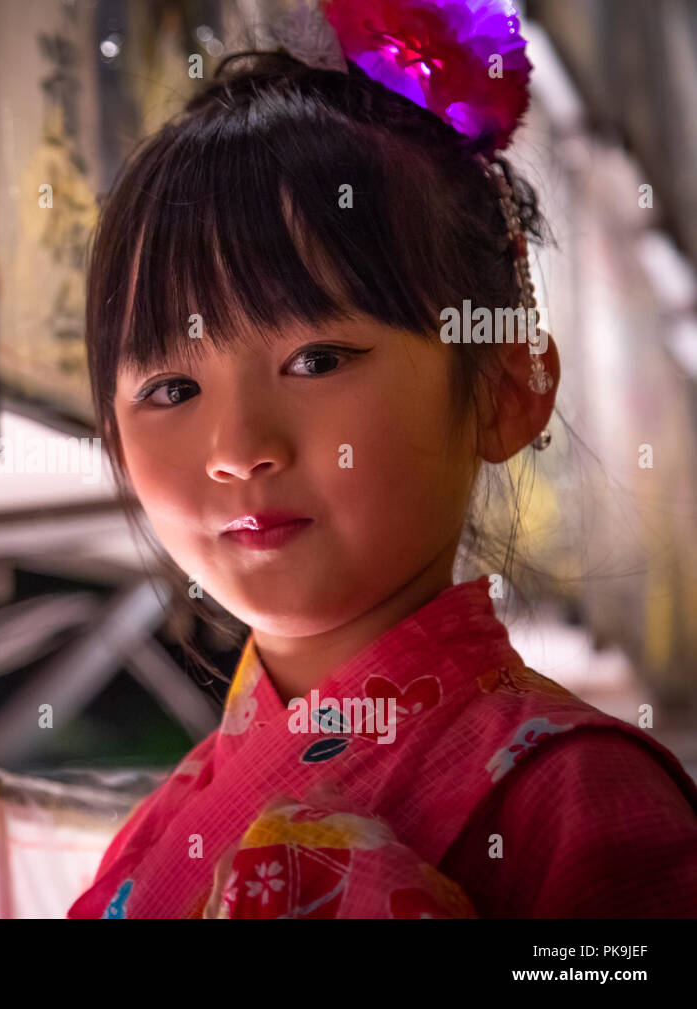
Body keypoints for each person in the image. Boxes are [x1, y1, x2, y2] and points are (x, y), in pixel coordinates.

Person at [67, 0, 697, 918]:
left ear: (507, 387)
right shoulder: (152, 834)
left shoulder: (585, 796)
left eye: (317, 360)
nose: (240, 452)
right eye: (170, 389)